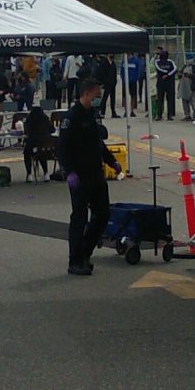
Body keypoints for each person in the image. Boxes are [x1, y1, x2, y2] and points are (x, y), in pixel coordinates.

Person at [60, 82, 116, 275]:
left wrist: (112, 161)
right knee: (79, 217)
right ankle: (75, 260)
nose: (98, 97)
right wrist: (69, 172)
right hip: (80, 175)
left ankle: (85, 251)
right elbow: (63, 147)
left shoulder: (92, 114)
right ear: (86, 93)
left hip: (96, 172)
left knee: (103, 214)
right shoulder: (72, 117)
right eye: (96, 94)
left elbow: (98, 143)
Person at [22, 103, 56, 181]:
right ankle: (46, 173)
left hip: (33, 146)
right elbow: (53, 130)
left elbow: (26, 132)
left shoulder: (29, 120)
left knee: (27, 153)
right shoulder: (45, 118)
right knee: (42, 152)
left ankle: (29, 174)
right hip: (46, 148)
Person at [152, 47, 178, 121]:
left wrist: (167, 75)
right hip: (161, 83)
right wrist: (167, 73)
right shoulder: (157, 61)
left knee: (170, 99)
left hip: (169, 83)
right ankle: (159, 115)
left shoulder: (170, 62)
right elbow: (158, 69)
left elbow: (175, 69)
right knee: (160, 99)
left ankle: (169, 115)